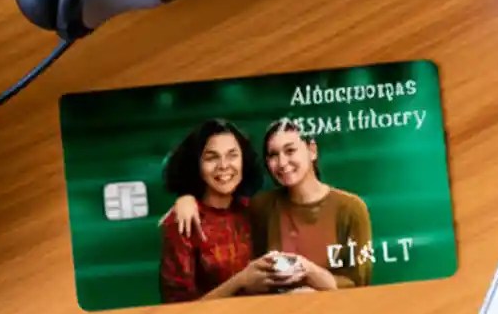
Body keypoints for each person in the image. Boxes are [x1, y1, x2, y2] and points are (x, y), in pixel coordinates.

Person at [170, 117, 373, 290]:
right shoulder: (261, 206)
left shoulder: (352, 208)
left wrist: (310, 275)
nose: (282, 162)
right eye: (273, 155)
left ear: (312, 150)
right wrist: (186, 199)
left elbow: (360, 283)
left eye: (290, 150)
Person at [159, 119, 302, 302]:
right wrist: (240, 282)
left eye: (232, 155)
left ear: (244, 160)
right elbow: (177, 311)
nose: (224, 165)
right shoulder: (184, 220)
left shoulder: (253, 209)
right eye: (212, 157)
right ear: (196, 165)